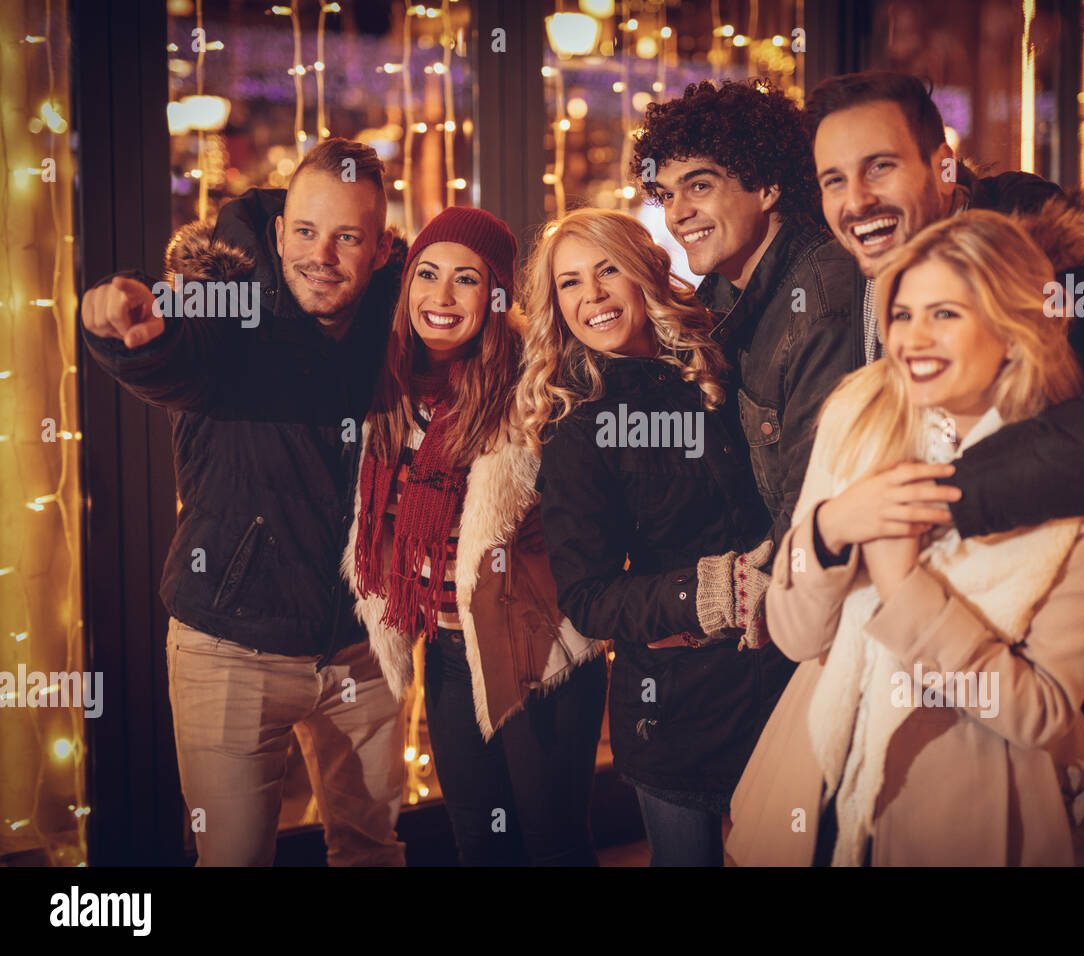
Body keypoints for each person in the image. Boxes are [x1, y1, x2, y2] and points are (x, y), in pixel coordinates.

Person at [801, 70, 1084, 866]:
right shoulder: (857, 275)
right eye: (835, 178)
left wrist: (934, 499)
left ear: (943, 166)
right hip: (925, 698)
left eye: (881, 166)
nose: (857, 198)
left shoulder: (1053, 258)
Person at [729, 211, 1084, 866]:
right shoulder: (858, 410)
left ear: (1017, 324)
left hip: (980, 804)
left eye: (945, 314)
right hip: (822, 780)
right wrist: (831, 530)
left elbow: (1039, 712)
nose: (913, 340)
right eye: (902, 314)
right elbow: (795, 637)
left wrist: (903, 587)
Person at [80, 139, 407, 865]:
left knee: (373, 850)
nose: (322, 254)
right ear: (280, 228)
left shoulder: (398, 323)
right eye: (307, 231)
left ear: (381, 248)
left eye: (347, 237)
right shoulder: (224, 311)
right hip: (229, 647)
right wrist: (127, 333)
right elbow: (173, 357)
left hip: (362, 648)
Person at [341, 206, 607, 866]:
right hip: (450, 652)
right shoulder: (388, 382)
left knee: (552, 846)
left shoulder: (537, 384)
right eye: (427, 274)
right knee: (479, 842)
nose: (441, 295)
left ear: (494, 296)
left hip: (534, 647)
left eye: (466, 279)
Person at [520, 209, 787, 866]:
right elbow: (587, 594)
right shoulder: (578, 425)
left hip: (781, 673)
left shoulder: (722, 362)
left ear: (645, 271)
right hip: (675, 705)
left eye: (608, 269)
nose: (593, 296)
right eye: (570, 283)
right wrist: (709, 594)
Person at [630, 79, 864, 557]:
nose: (678, 214)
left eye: (699, 186)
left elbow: (814, 517)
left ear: (768, 186)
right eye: (666, 195)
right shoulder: (717, 294)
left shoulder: (822, 309)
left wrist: (722, 605)